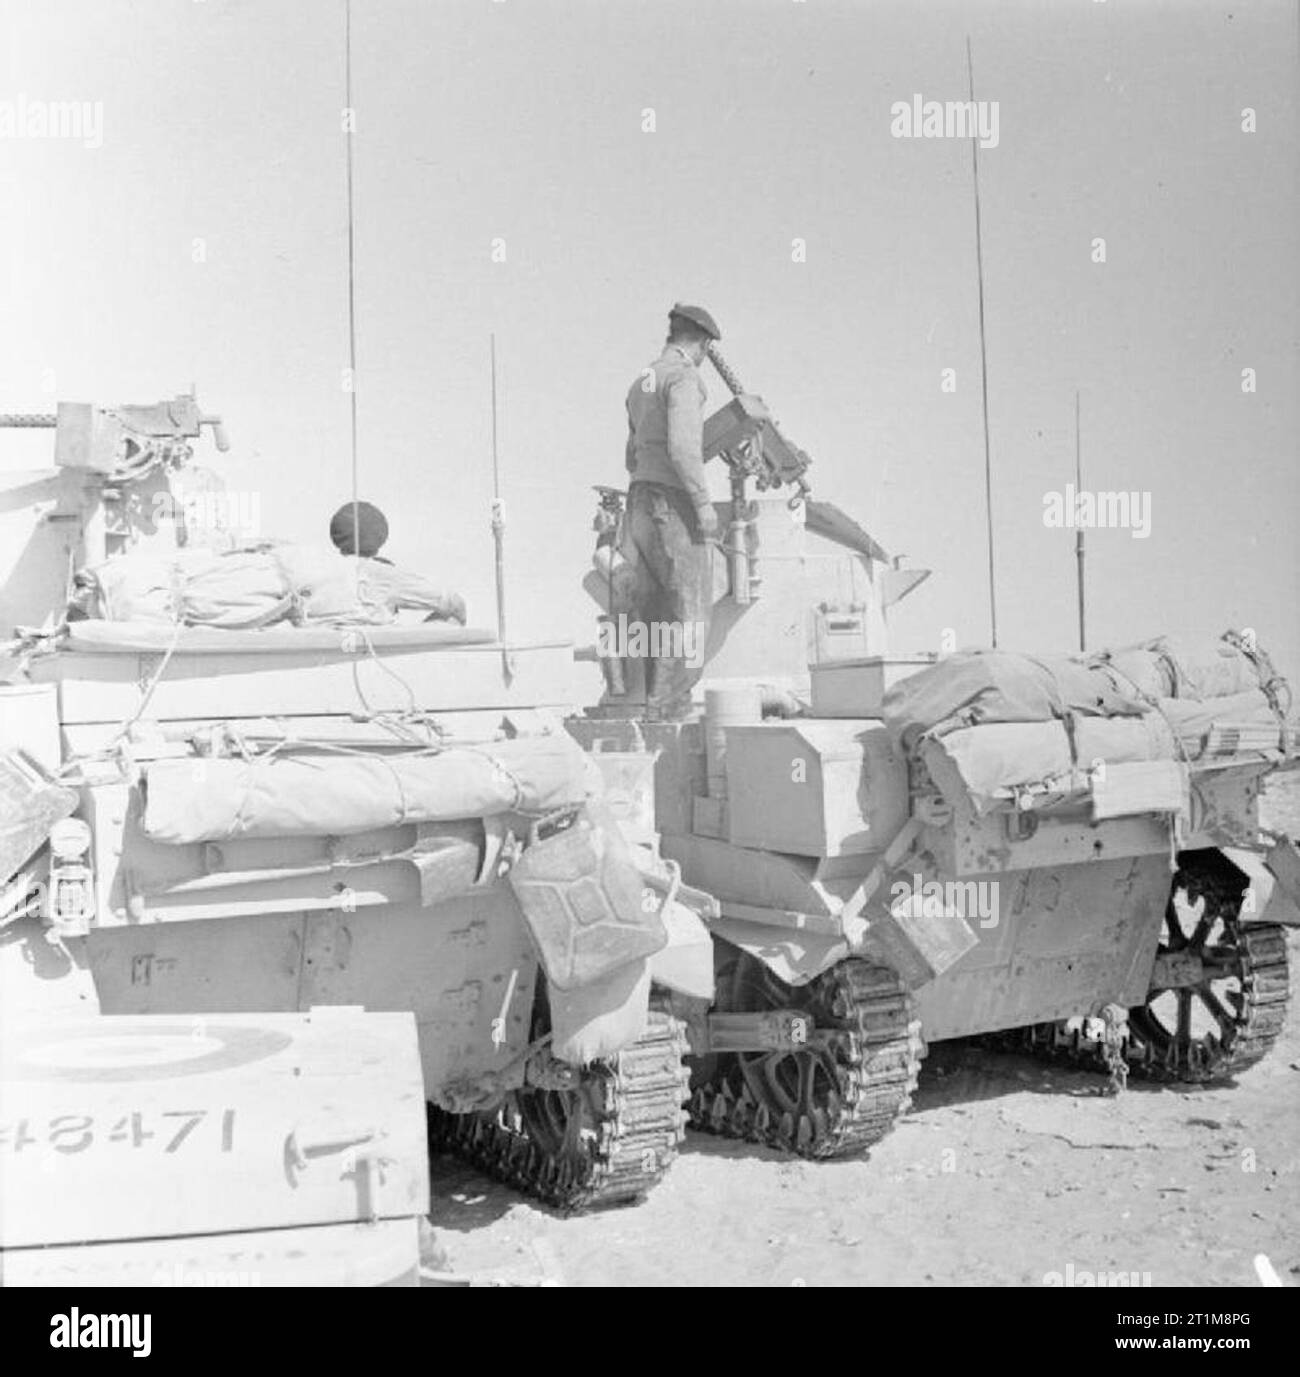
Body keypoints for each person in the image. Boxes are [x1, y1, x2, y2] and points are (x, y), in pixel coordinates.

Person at [622, 303, 721, 719]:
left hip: (640, 500)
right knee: (692, 610)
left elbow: (631, 454)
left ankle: (647, 703)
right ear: (699, 344)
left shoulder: (643, 379)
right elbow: (684, 449)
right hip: (671, 503)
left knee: (652, 606)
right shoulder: (683, 377)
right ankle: (669, 710)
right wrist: (702, 505)